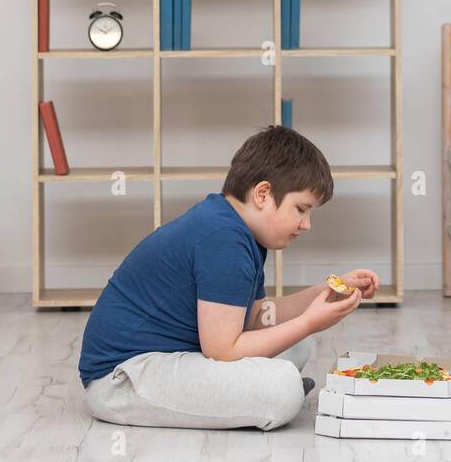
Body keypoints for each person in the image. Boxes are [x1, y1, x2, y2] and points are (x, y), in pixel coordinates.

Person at [79, 125, 378, 430]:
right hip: (121, 380)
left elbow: (255, 316)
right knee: (283, 389)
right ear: (262, 194)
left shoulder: (238, 229)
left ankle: (250, 396)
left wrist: (324, 293)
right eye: (301, 209)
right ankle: (268, 397)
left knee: (300, 346)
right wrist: (308, 321)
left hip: (167, 357)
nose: (307, 224)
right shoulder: (223, 239)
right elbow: (223, 351)